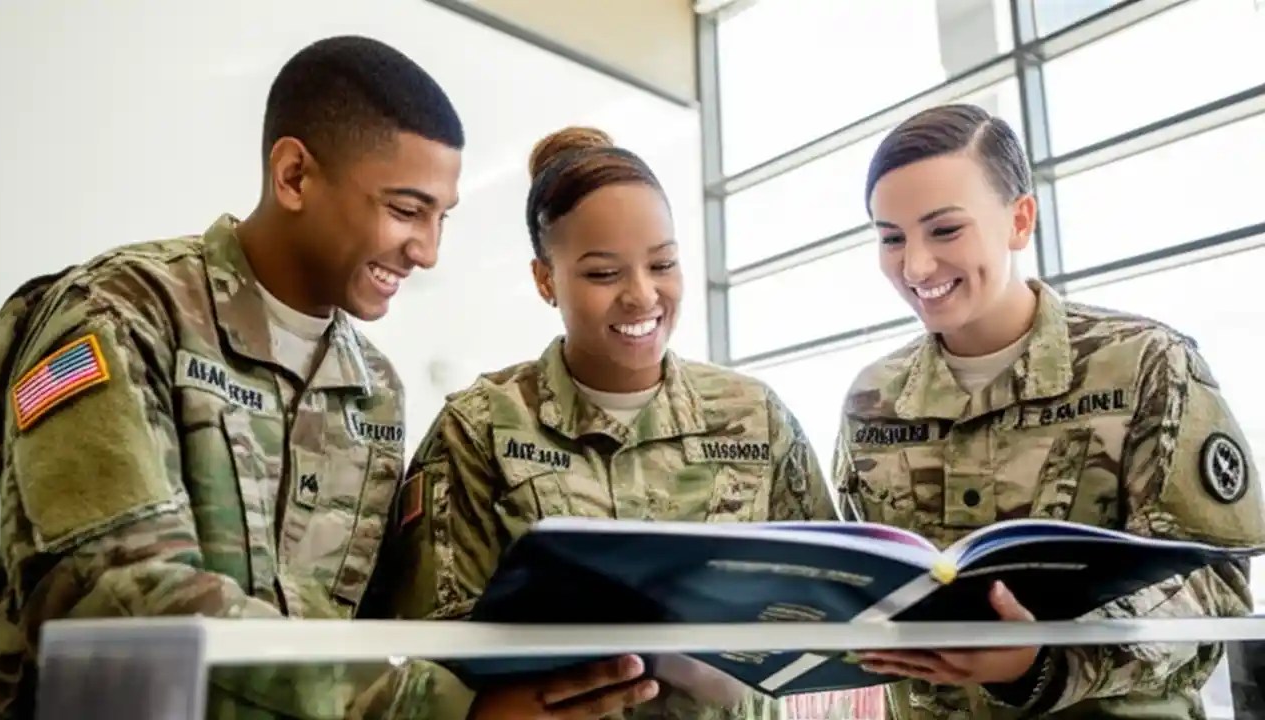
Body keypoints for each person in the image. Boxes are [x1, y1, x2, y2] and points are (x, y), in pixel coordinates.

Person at [0, 36, 651, 720]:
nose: (426, 251)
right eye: (404, 210)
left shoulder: (373, 389)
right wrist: (447, 711)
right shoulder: (120, 317)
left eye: (440, 217)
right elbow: (114, 599)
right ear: (295, 176)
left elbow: (369, 625)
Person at [364, 125, 840, 720]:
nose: (642, 296)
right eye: (602, 274)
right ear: (545, 280)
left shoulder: (755, 418)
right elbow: (426, 642)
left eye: (662, 264)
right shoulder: (481, 427)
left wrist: (744, 661)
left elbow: (832, 603)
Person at [830, 103, 1265, 718]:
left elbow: (1213, 589)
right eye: (891, 238)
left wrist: (1045, 659)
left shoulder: (1145, 364)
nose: (916, 266)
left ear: (1020, 219)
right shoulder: (870, 400)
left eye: (945, 230)